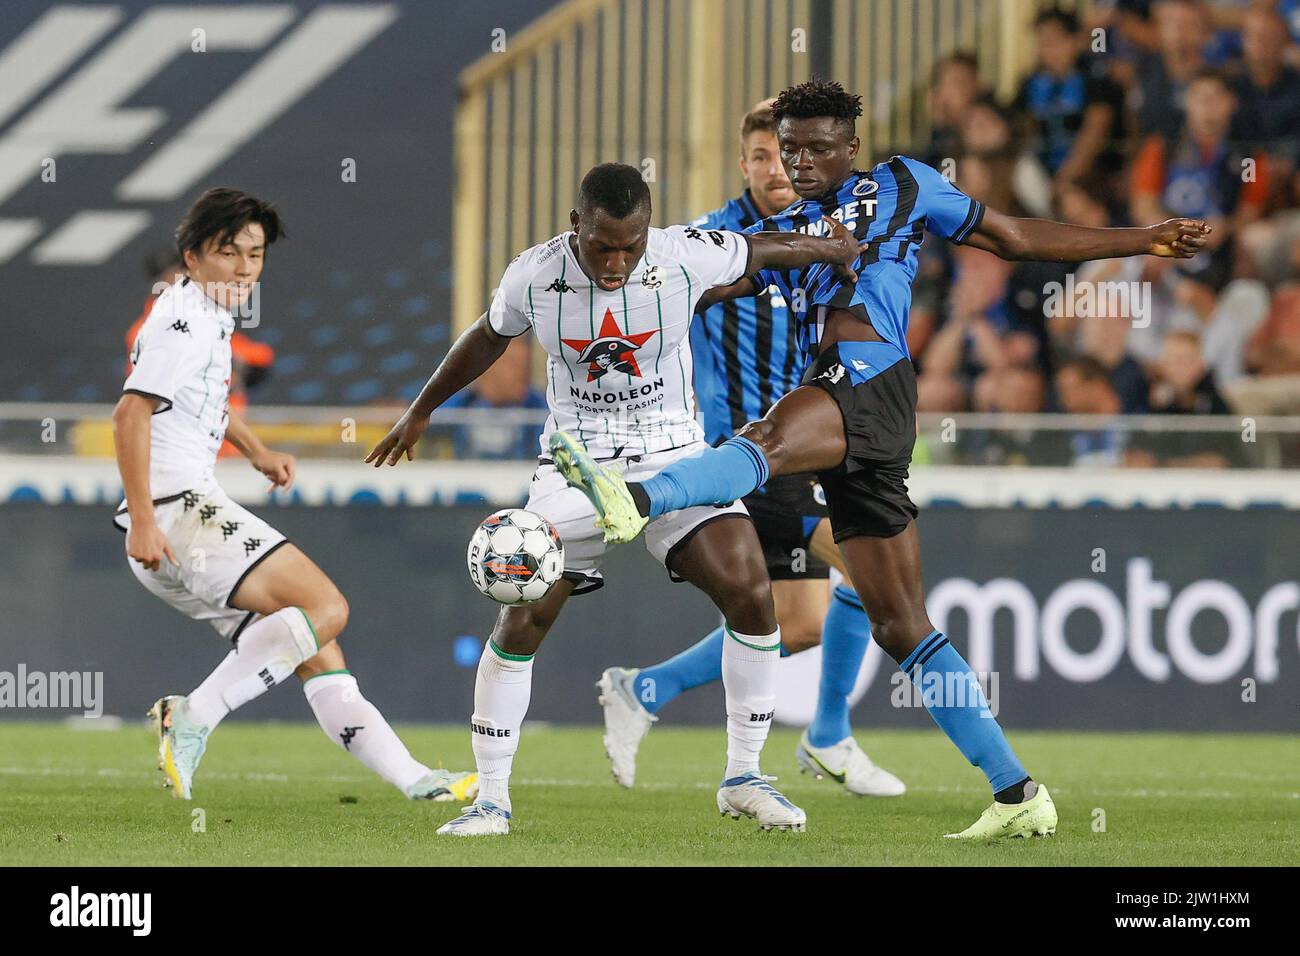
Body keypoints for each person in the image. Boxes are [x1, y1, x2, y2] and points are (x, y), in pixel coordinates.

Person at [552, 79, 1210, 841]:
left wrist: (1142, 238)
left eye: (816, 147)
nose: (799, 162)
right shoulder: (787, 229)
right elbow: (700, 288)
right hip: (860, 417)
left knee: (763, 442)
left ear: (851, 147)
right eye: (788, 148)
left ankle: (637, 497)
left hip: (868, 377)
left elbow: (1017, 237)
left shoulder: (904, 183)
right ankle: (1017, 793)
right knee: (900, 624)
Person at [366, 163, 867, 836]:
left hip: (674, 458)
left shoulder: (682, 254)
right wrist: (421, 409)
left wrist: (833, 246)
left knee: (752, 588)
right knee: (524, 614)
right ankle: (490, 799)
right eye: (604, 244)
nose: (617, 260)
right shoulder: (535, 274)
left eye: (630, 245)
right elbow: (489, 334)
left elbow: (769, 247)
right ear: (578, 225)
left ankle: (744, 776)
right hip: (577, 465)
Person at [113, 187, 476, 805]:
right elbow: (129, 415)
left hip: (174, 519)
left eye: (255, 254)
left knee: (315, 644)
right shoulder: (180, 322)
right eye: (231, 253)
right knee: (326, 607)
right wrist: (145, 520)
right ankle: (192, 715)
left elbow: (203, 401)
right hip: (174, 515)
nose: (246, 267)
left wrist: (254, 449)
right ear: (193, 254)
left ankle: (415, 780)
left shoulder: (203, 314)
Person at [596, 100, 904, 798]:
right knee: (870, 565)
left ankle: (644, 688)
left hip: (810, 447)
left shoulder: (828, 232)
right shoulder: (707, 242)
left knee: (799, 621)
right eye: (762, 157)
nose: (778, 170)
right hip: (748, 454)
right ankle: (828, 736)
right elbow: (636, 305)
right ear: (744, 164)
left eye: (788, 156)